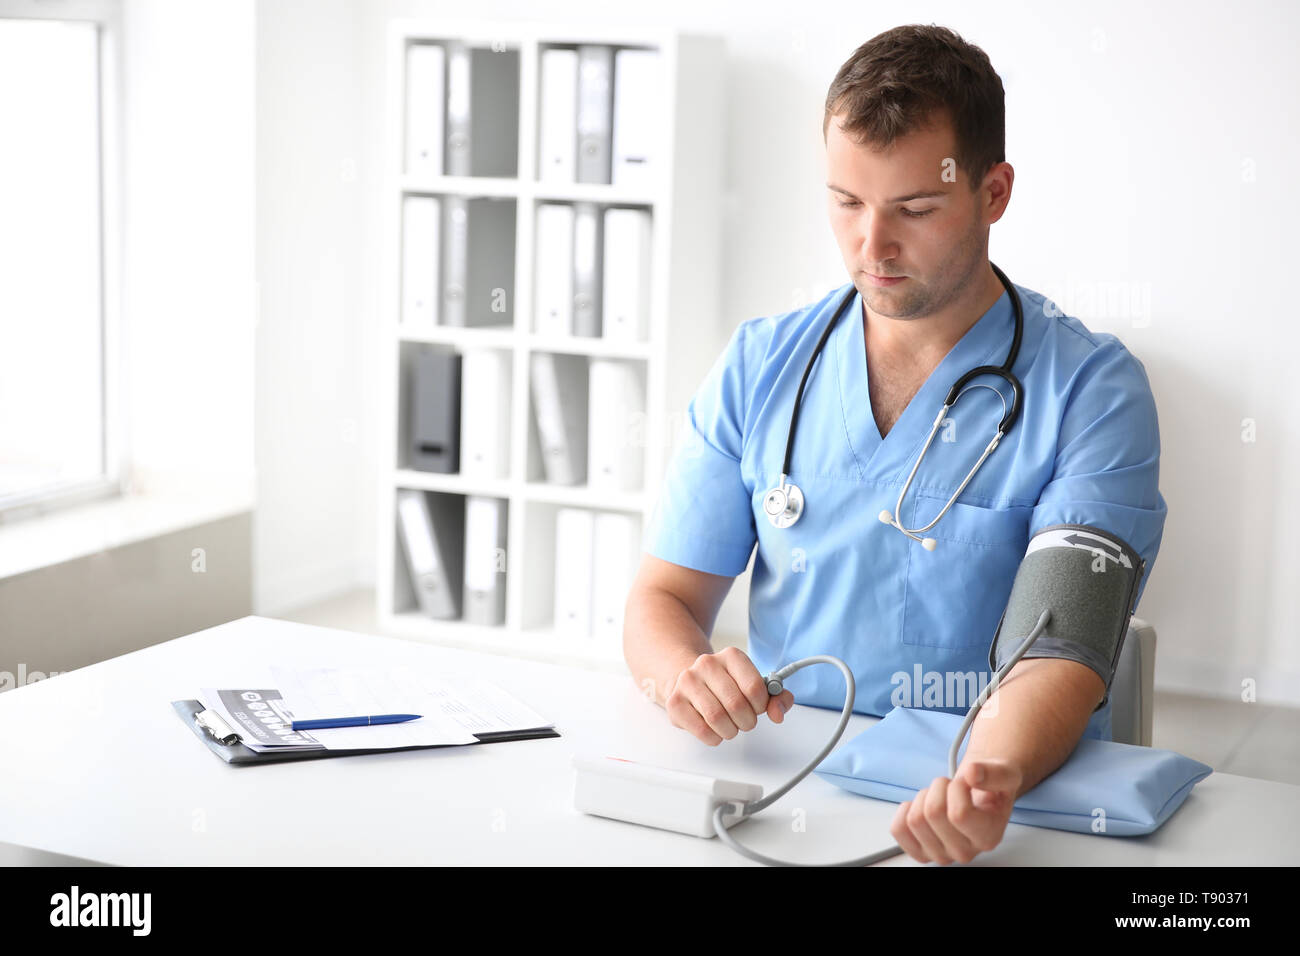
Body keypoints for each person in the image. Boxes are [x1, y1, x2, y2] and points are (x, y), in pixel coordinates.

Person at [621, 23, 1167, 864]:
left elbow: (1063, 652)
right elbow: (662, 602)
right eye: (846, 202)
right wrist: (685, 677)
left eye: (914, 209)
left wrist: (987, 777)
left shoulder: (1092, 392)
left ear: (993, 192)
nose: (870, 247)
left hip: (980, 795)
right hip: (782, 784)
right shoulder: (760, 365)